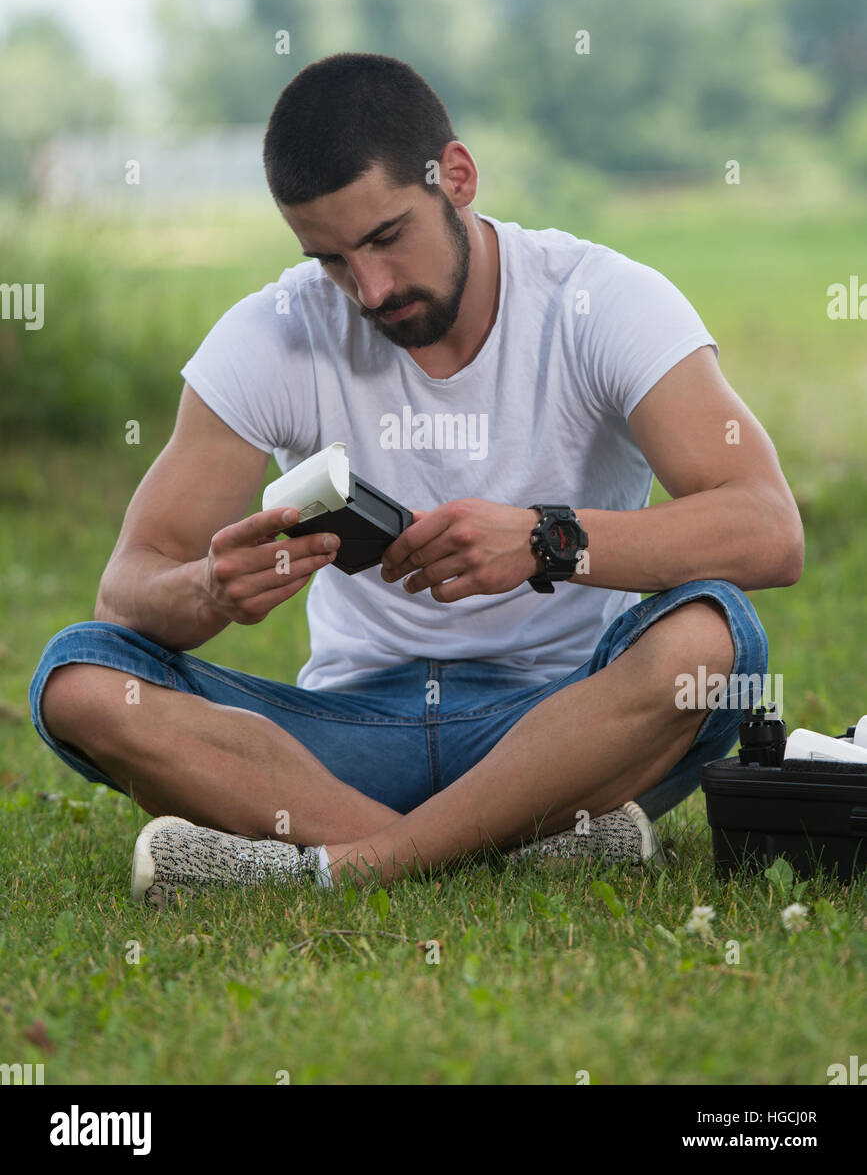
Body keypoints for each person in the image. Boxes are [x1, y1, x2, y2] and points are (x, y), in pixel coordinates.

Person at [29, 52, 803, 902]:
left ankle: (344, 864)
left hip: (562, 721)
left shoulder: (601, 300)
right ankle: (510, 844)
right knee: (80, 676)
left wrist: (547, 540)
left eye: (385, 237)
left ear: (457, 177)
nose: (369, 289)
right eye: (330, 259)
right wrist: (208, 589)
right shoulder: (272, 333)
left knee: (715, 637)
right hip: (345, 736)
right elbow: (127, 591)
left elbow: (766, 527)